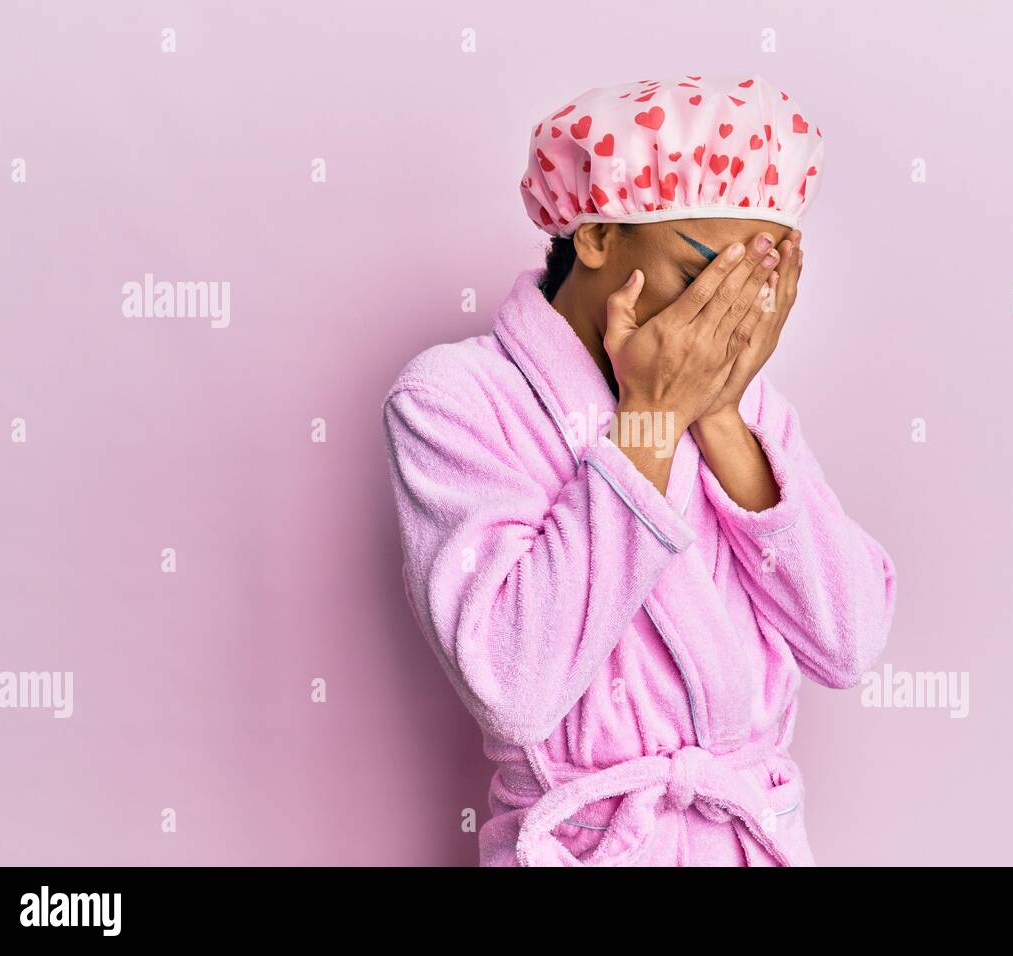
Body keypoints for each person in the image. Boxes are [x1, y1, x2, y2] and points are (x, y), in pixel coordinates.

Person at [382, 73, 897, 866]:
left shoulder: (749, 406)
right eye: (700, 277)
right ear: (594, 236)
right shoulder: (452, 398)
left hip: (750, 841)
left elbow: (849, 643)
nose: (720, 319)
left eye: (750, 289)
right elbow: (514, 688)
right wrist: (651, 418)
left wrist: (716, 412)